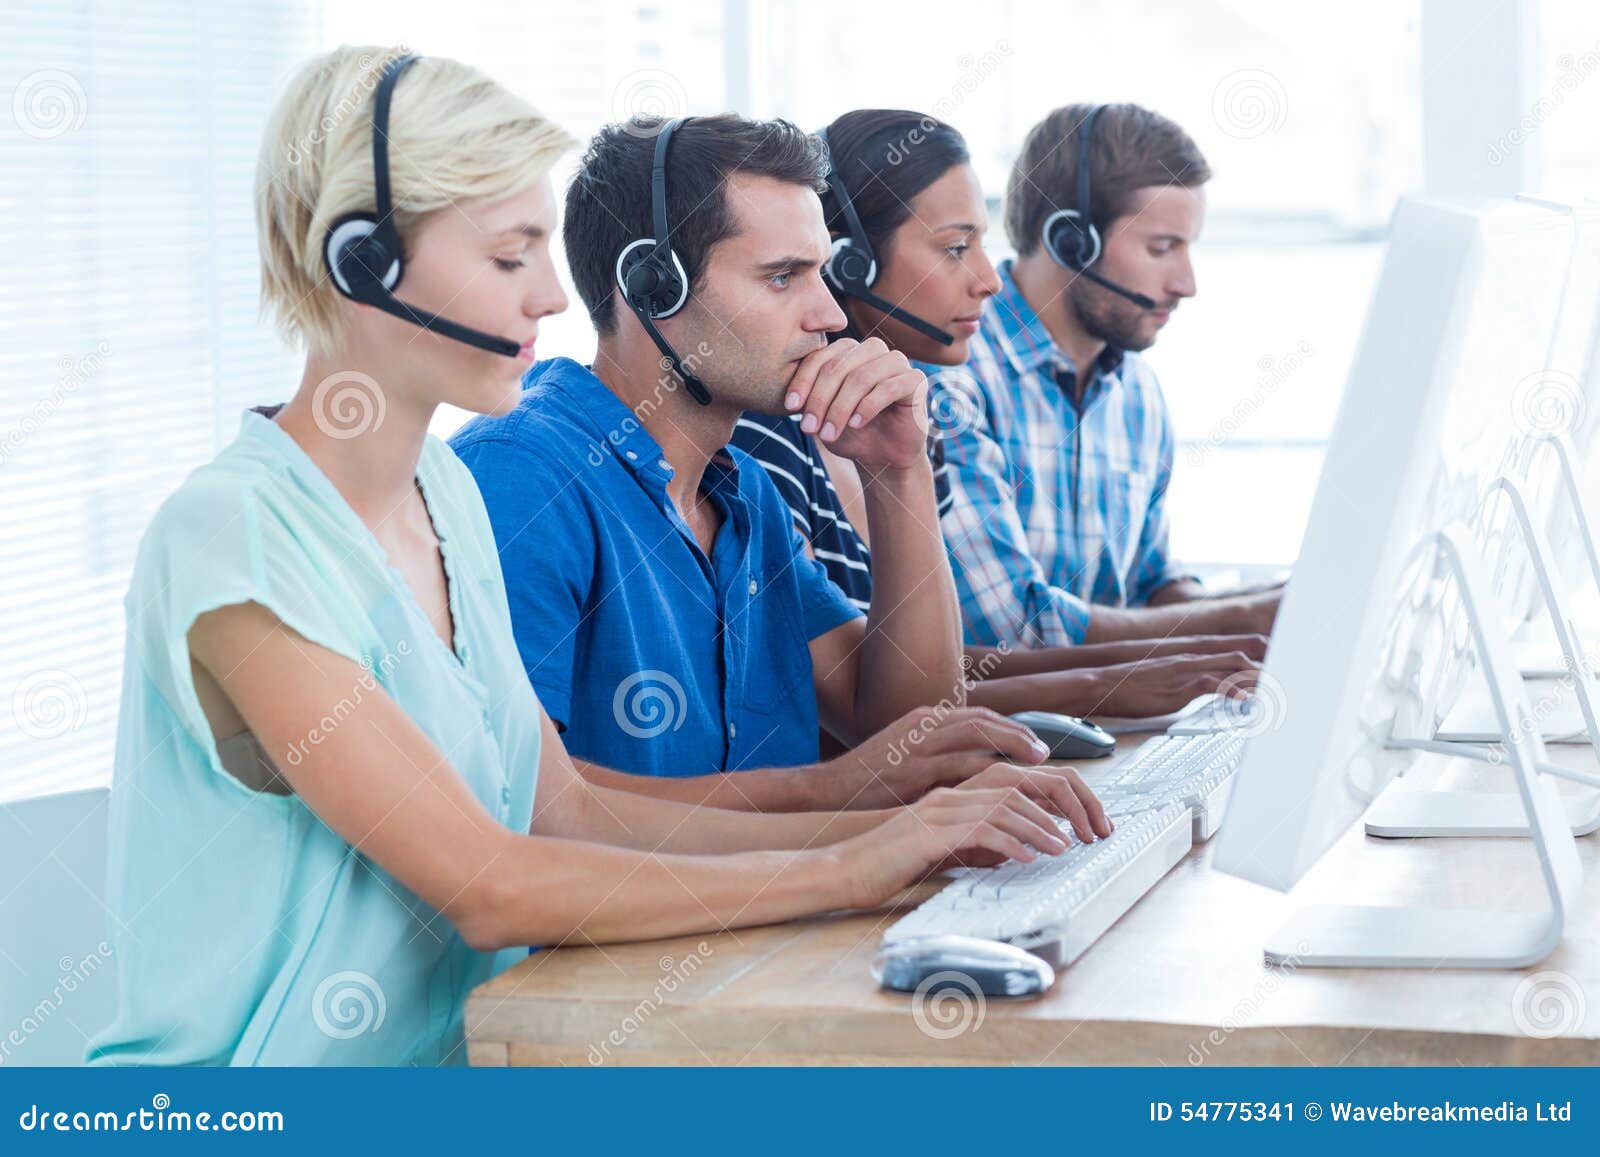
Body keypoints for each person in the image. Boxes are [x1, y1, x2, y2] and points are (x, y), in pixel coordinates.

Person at [87, 48, 1105, 1067]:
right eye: (508, 258)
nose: (547, 297)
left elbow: (566, 809)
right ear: (361, 263)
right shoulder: (239, 534)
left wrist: (899, 830)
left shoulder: (441, 497)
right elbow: (489, 881)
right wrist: (858, 858)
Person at [452, 112, 1082, 808]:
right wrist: (831, 793)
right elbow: (518, 801)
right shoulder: (520, 477)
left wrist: (897, 473)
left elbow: (907, 740)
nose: (831, 315)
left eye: (821, 273)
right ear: (653, 285)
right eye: (783, 277)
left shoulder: (746, 496)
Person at [730, 109, 1263, 720]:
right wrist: (1105, 683)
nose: (988, 279)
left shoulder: (905, 429)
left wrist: (1169, 664)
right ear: (849, 264)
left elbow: (934, 678)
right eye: (956, 248)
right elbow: (869, 711)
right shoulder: (770, 446)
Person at [939, 102, 1284, 647]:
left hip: (1116, 704)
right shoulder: (953, 378)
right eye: (1162, 248)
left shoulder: (1138, 393)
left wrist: (1278, 600)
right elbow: (1013, 631)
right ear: (1070, 240)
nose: (1186, 283)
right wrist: (1240, 618)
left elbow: (1148, 590)